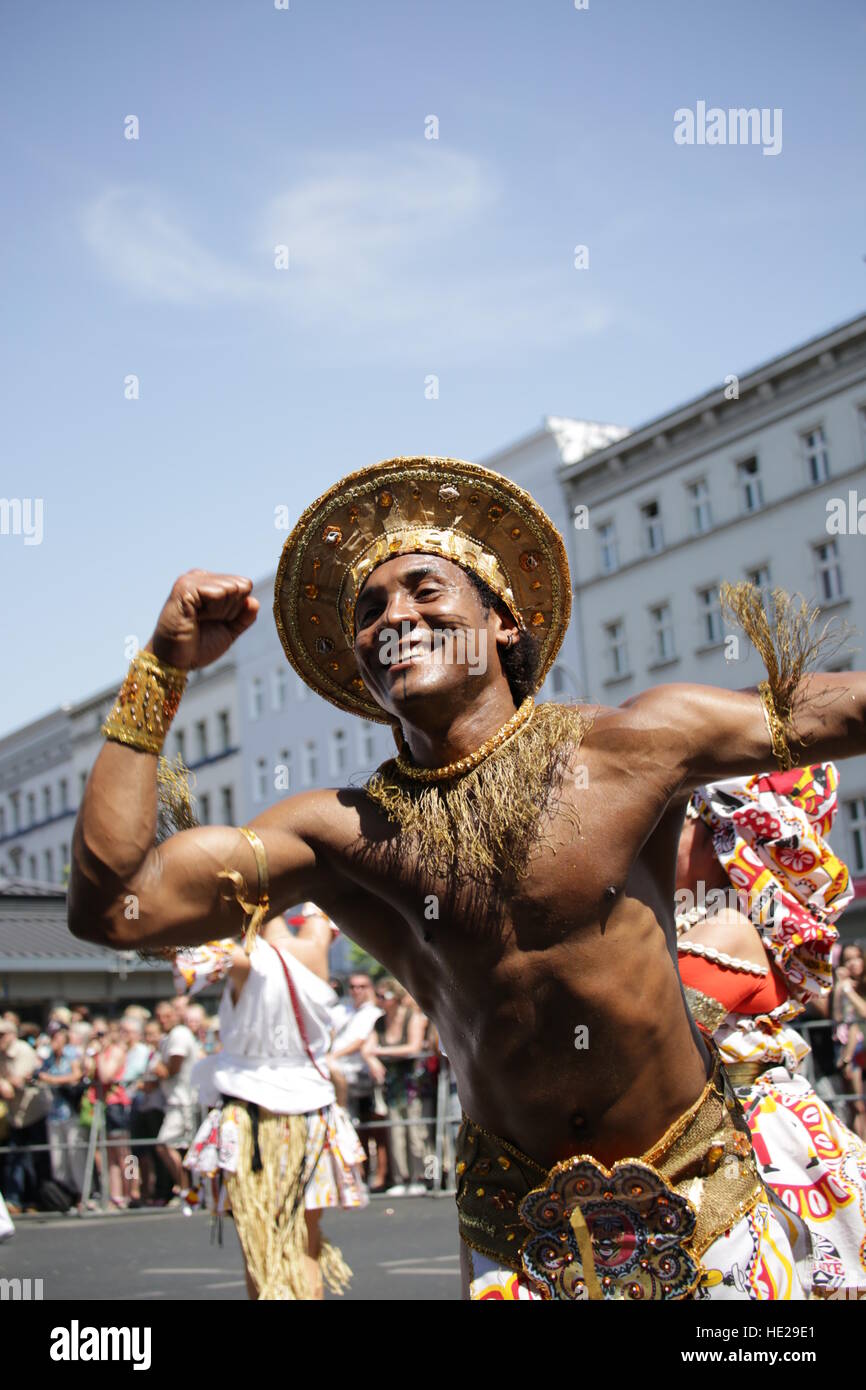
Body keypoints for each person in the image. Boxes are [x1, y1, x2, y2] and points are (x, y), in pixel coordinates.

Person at [68, 454, 866, 1301]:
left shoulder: (633, 746)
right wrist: (162, 666)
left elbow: (840, 710)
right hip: (518, 1238)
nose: (394, 618)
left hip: (703, 1207)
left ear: (504, 625)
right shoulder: (340, 833)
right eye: (369, 611)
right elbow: (116, 907)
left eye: (424, 589)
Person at [674, 762, 866, 1297]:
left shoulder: (730, 932)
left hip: (744, 1151)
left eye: (675, 820)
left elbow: (639, 1040)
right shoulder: (693, 926)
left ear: (725, 846)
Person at [181, 907, 367, 1299]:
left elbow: (183, 956)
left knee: (259, 1244)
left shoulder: (243, 960)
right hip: (313, 1114)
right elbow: (323, 905)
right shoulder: (315, 951)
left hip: (251, 1117)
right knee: (306, 1242)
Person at [362, 979, 430, 1194]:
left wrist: (379, 1053)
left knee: (415, 1129)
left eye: (384, 996)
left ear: (396, 997)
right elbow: (367, 1048)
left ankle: (419, 1176)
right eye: (378, 996)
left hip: (411, 1082)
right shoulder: (379, 1022)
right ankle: (401, 1178)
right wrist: (372, 1059)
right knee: (396, 1130)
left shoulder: (413, 1018)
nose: (380, 1000)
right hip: (391, 1084)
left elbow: (413, 1046)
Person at [326, 974, 385, 1188]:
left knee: (371, 1129)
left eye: (362, 986)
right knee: (346, 1126)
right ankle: (353, 1176)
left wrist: (334, 1056)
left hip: (360, 1077)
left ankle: (375, 1175)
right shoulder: (342, 1011)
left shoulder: (375, 1013)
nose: (357, 990)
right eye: (352, 986)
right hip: (338, 1076)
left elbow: (361, 1041)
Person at [152, 1000, 199, 1206]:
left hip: (184, 1101)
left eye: (167, 1015)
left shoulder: (179, 1034)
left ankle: (187, 1189)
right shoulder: (169, 1037)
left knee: (165, 1144)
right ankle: (188, 1190)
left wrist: (158, 1069)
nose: (163, 1020)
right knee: (180, 1147)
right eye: (159, 1016)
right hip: (175, 1100)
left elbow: (172, 1068)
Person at [38, 1025, 85, 1197]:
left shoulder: (71, 1055)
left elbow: (76, 1075)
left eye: (56, 1039)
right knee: (58, 1159)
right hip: (54, 1113)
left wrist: (53, 1080)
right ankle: (65, 1195)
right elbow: (39, 1074)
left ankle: (84, 1193)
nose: (52, 1042)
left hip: (70, 1111)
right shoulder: (49, 1059)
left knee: (75, 1154)